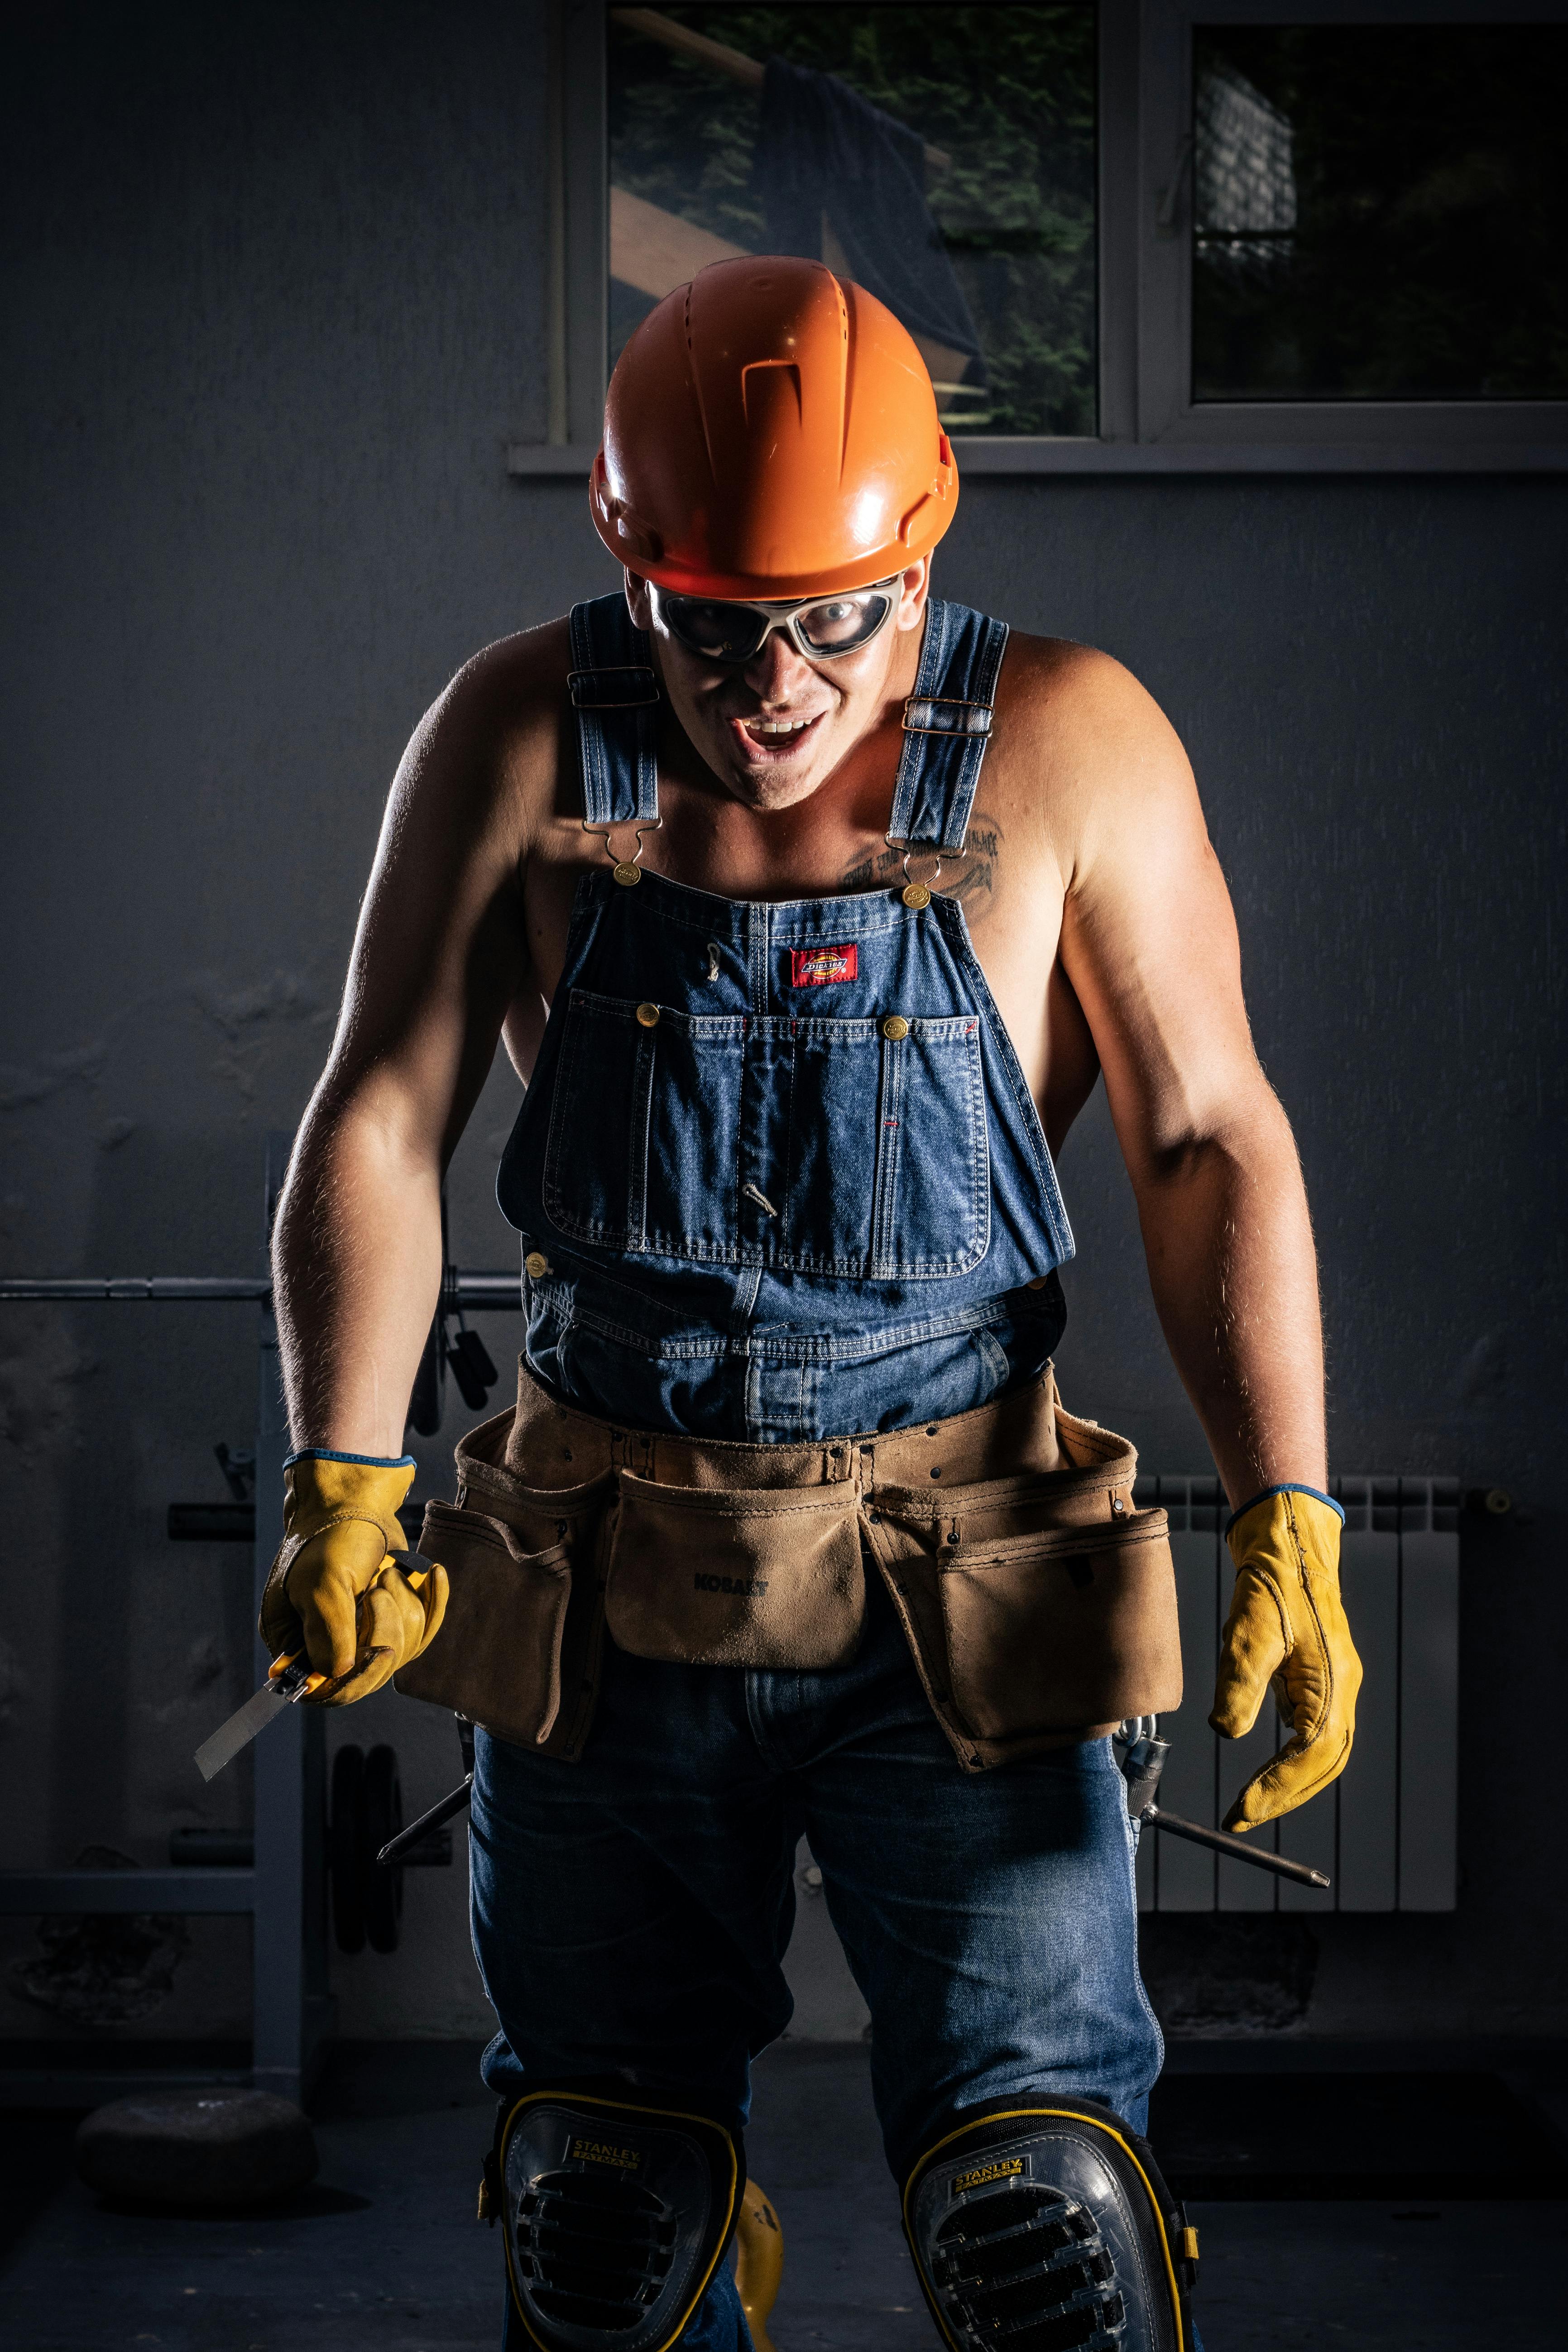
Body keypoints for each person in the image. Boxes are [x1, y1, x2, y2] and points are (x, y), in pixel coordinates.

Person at [262, 258, 1361, 2352]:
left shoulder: (1066, 745)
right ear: (628, 565)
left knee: (1044, 2232)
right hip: (607, 1589)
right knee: (602, 2221)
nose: (771, 685)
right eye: (711, 628)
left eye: (835, 624)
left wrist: (1286, 1516)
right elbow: (380, 1115)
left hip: (963, 1596)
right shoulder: (519, 734)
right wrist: (345, 1470)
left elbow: (1208, 1135)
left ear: (921, 549)